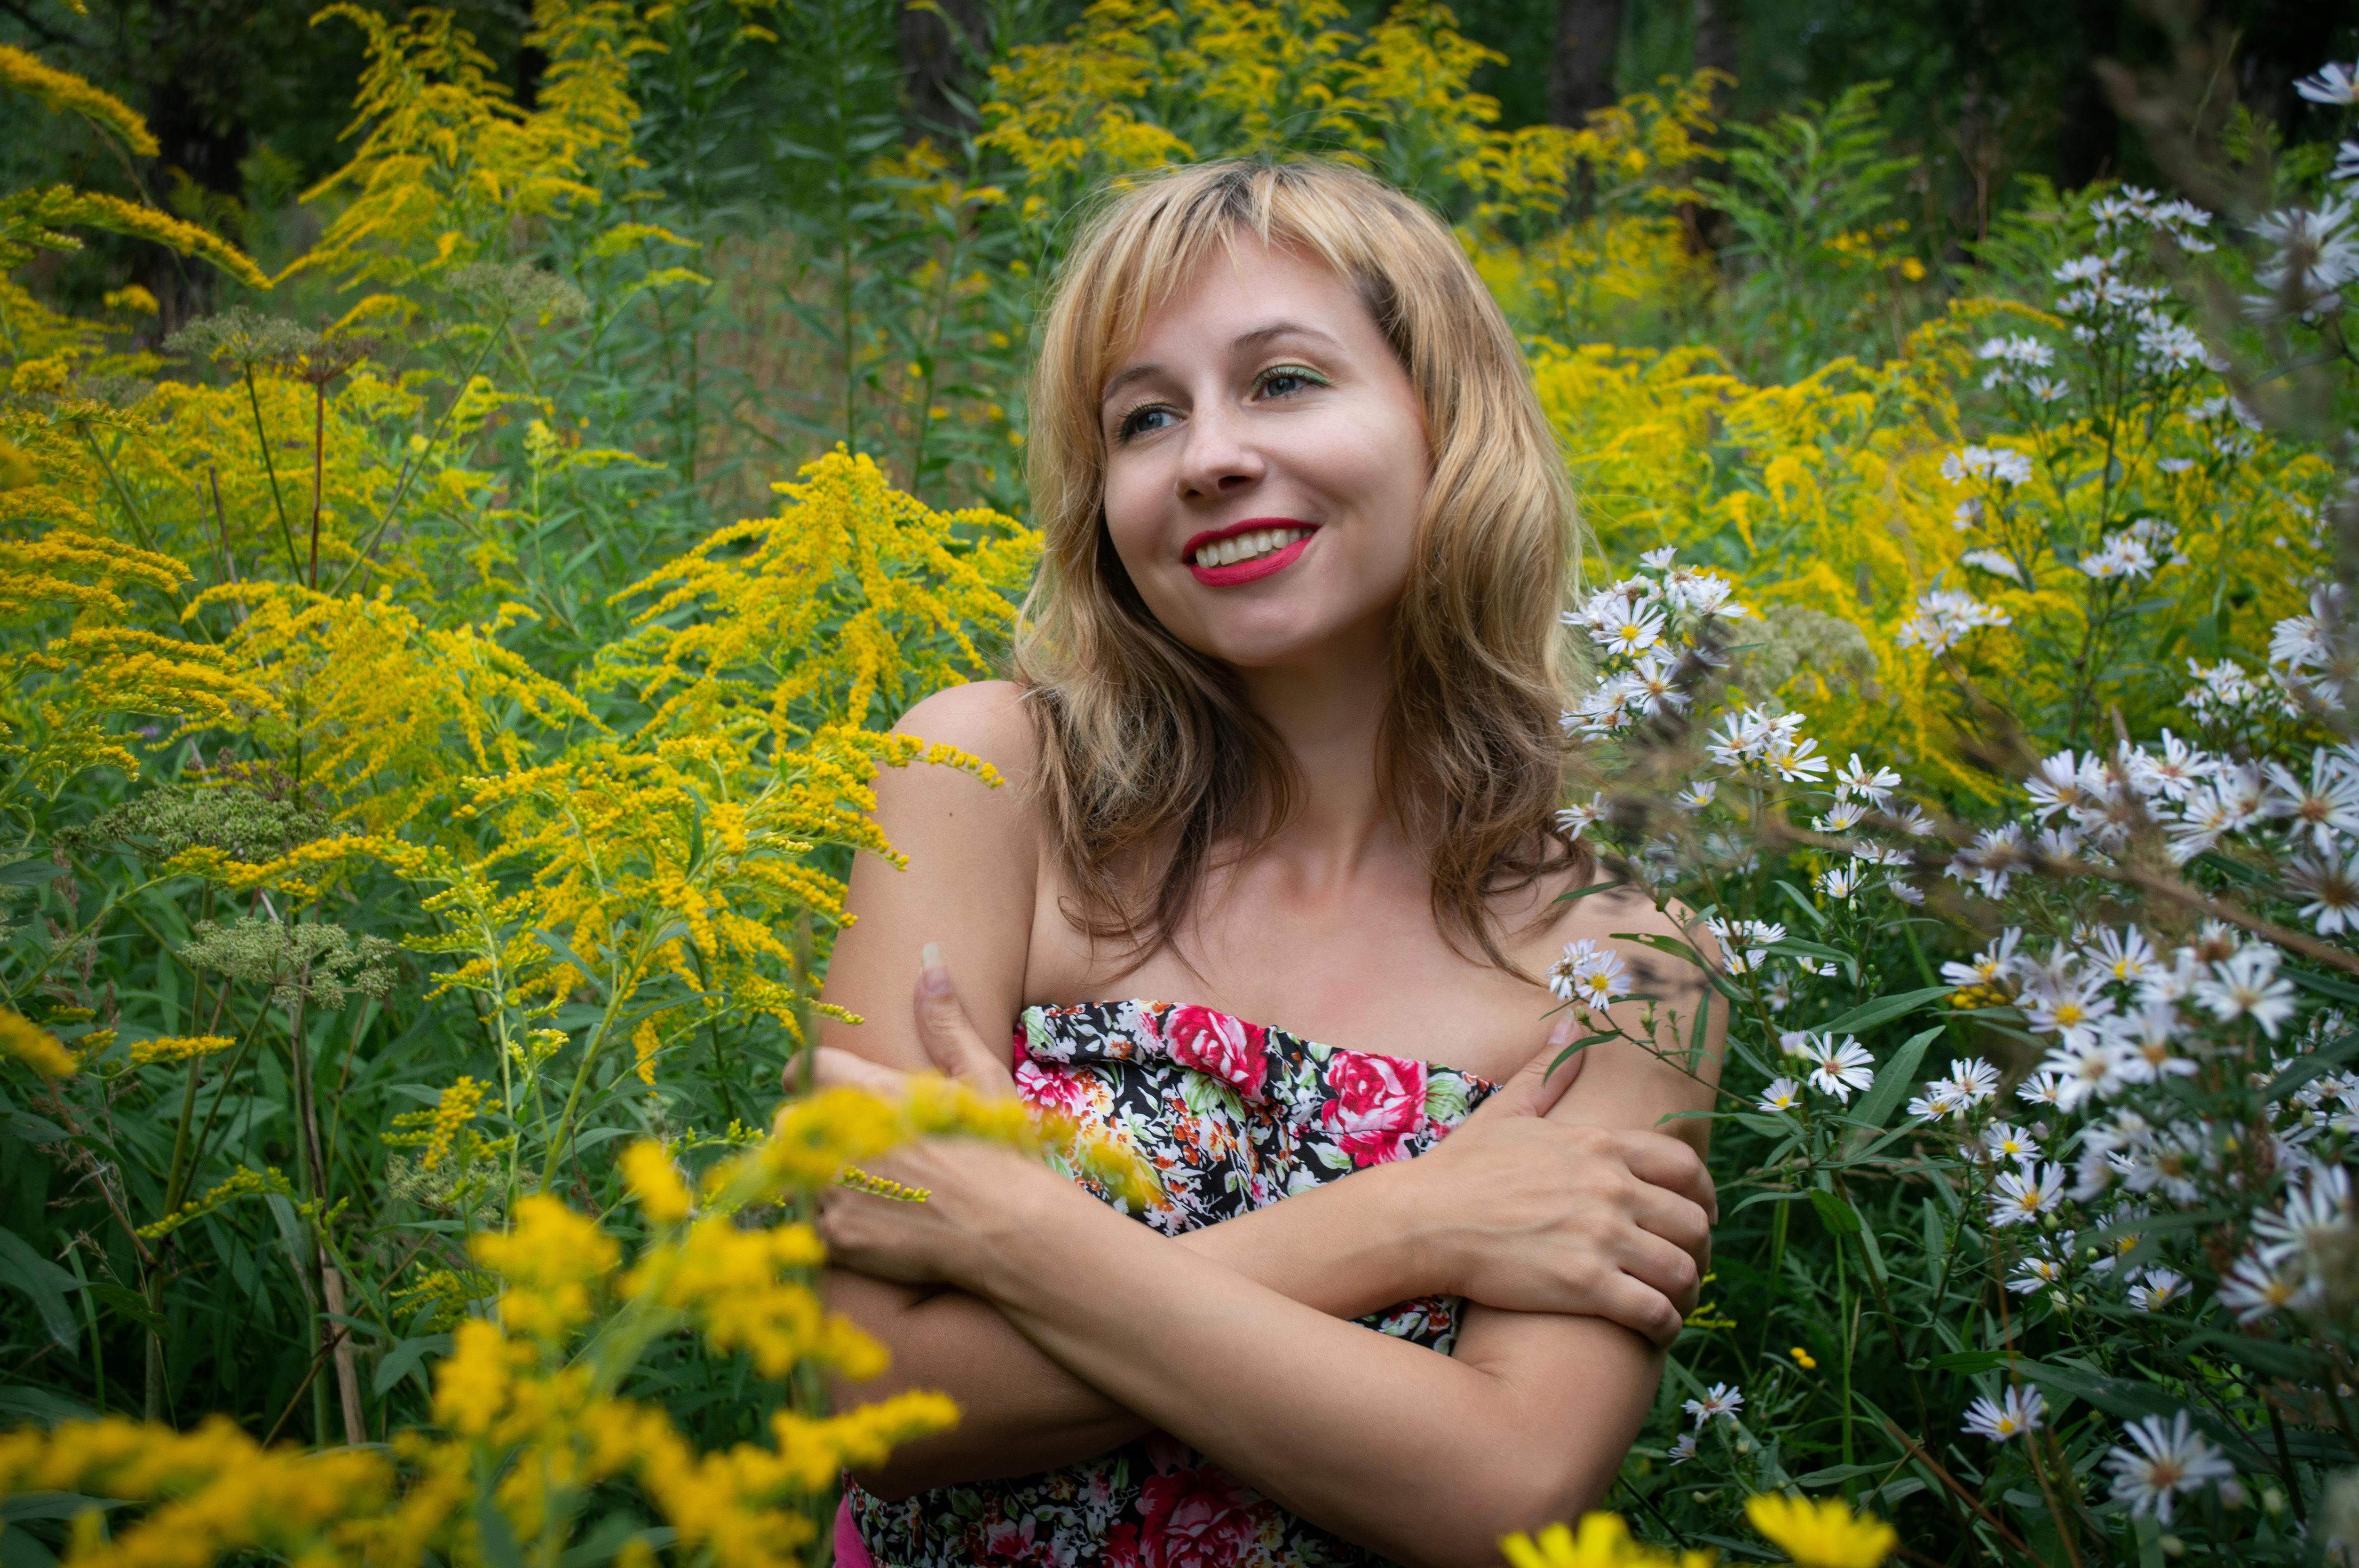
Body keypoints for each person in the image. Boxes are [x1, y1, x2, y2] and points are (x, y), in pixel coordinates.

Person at [800, 157, 1725, 1568]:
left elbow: (1504, 1495)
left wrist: (1008, 1237)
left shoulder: (1628, 968)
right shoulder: (983, 782)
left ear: (1448, 421)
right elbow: (872, 1396)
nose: (1208, 454)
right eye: (1145, 418)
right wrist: (1412, 1221)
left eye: (1284, 381)